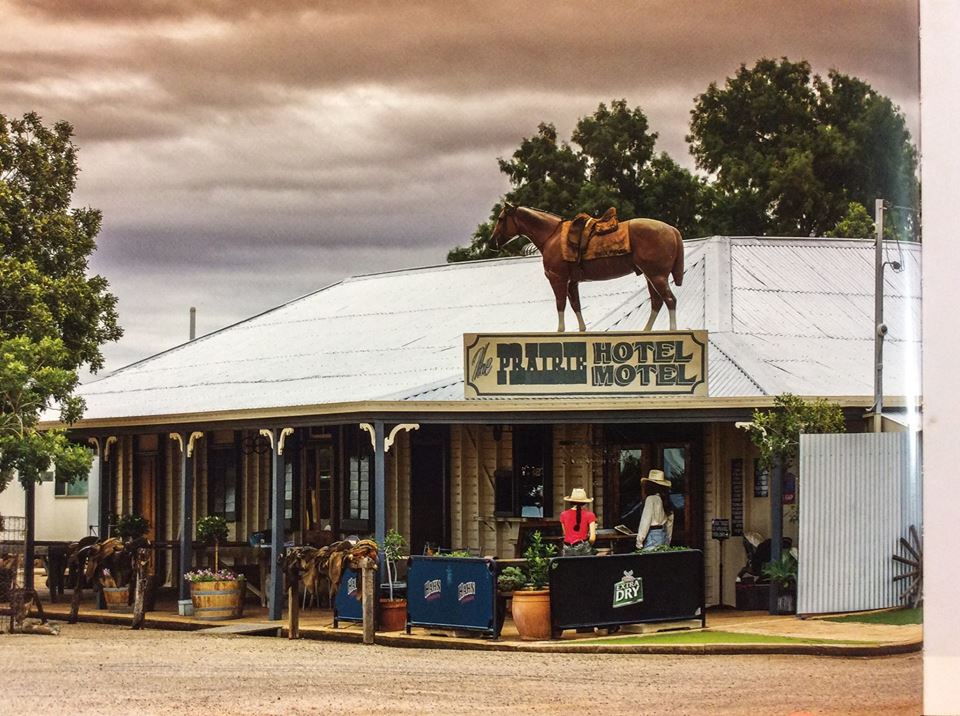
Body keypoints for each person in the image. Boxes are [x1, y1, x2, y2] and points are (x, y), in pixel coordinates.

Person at [635, 470, 675, 551]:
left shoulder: (651, 499)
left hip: (652, 536)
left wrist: (639, 540)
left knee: (650, 561)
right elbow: (670, 522)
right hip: (663, 534)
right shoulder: (665, 500)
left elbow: (645, 521)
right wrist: (668, 540)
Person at [559, 488, 597, 556]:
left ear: (571, 502)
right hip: (582, 546)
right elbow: (592, 538)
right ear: (585, 503)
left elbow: (565, 533)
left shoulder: (563, 514)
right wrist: (587, 545)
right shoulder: (590, 515)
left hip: (567, 547)